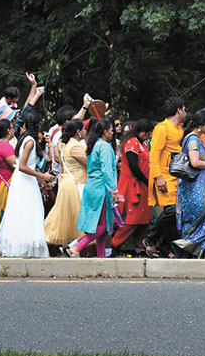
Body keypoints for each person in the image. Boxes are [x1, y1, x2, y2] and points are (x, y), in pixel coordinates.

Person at [0, 110, 53, 257]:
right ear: (38, 126)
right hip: (24, 181)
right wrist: (42, 176)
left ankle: (24, 246)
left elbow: (28, 165)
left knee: (24, 212)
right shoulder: (30, 141)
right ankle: (23, 247)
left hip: (25, 180)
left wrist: (43, 181)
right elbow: (22, 166)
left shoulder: (24, 139)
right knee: (27, 211)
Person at [172, 110, 205, 258]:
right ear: (201, 125)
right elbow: (195, 162)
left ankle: (200, 254)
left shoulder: (195, 139)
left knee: (204, 219)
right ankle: (185, 246)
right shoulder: (193, 140)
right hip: (197, 188)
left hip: (200, 186)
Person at [64, 120, 117, 258]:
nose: (113, 133)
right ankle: (77, 248)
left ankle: (101, 256)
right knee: (104, 226)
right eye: (111, 130)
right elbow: (107, 170)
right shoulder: (105, 146)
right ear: (105, 132)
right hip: (102, 188)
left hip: (91, 186)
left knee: (101, 225)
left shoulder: (93, 145)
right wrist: (113, 190)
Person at [144, 97, 186, 258]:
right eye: (184, 109)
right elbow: (154, 155)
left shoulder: (179, 129)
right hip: (164, 176)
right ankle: (150, 239)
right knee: (171, 210)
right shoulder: (162, 128)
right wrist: (158, 177)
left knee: (175, 214)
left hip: (176, 176)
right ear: (179, 111)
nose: (186, 112)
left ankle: (167, 248)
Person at [111, 119, 154, 254]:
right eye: (147, 133)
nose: (148, 135)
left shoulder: (142, 144)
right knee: (132, 218)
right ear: (140, 131)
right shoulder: (131, 142)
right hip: (133, 185)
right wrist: (147, 181)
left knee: (144, 218)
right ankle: (115, 244)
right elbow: (133, 166)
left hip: (143, 185)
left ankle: (140, 246)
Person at [44, 120, 87, 248]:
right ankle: (76, 245)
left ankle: (73, 245)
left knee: (65, 216)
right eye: (84, 129)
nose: (85, 131)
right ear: (78, 132)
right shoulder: (75, 146)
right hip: (75, 183)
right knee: (76, 216)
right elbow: (89, 163)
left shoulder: (66, 144)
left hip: (69, 182)